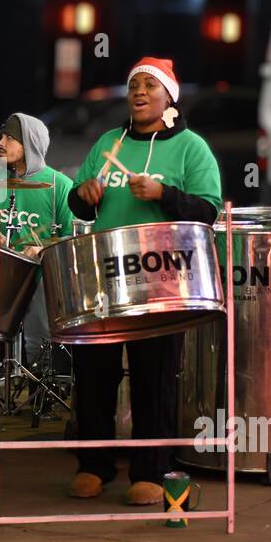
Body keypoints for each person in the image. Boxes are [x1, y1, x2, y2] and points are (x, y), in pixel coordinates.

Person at [66, 57, 222, 505]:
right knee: (94, 372)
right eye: (134, 85)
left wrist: (164, 195)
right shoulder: (108, 142)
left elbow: (208, 211)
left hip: (160, 279)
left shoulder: (191, 148)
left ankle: (151, 469)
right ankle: (93, 464)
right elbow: (81, 207)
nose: (139, 92)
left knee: (154, 376)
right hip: (105, 277)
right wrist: (83, 195)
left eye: (149, 86)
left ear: (168, 96)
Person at [0, 113, 74, 367]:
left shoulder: (60, 185)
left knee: (39, 340)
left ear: (31, 143)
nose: (1, 142)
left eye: (10, 137)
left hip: (41, 281)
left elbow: (72, 237)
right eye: (1, 135)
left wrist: (41, 247)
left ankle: (40, 392)